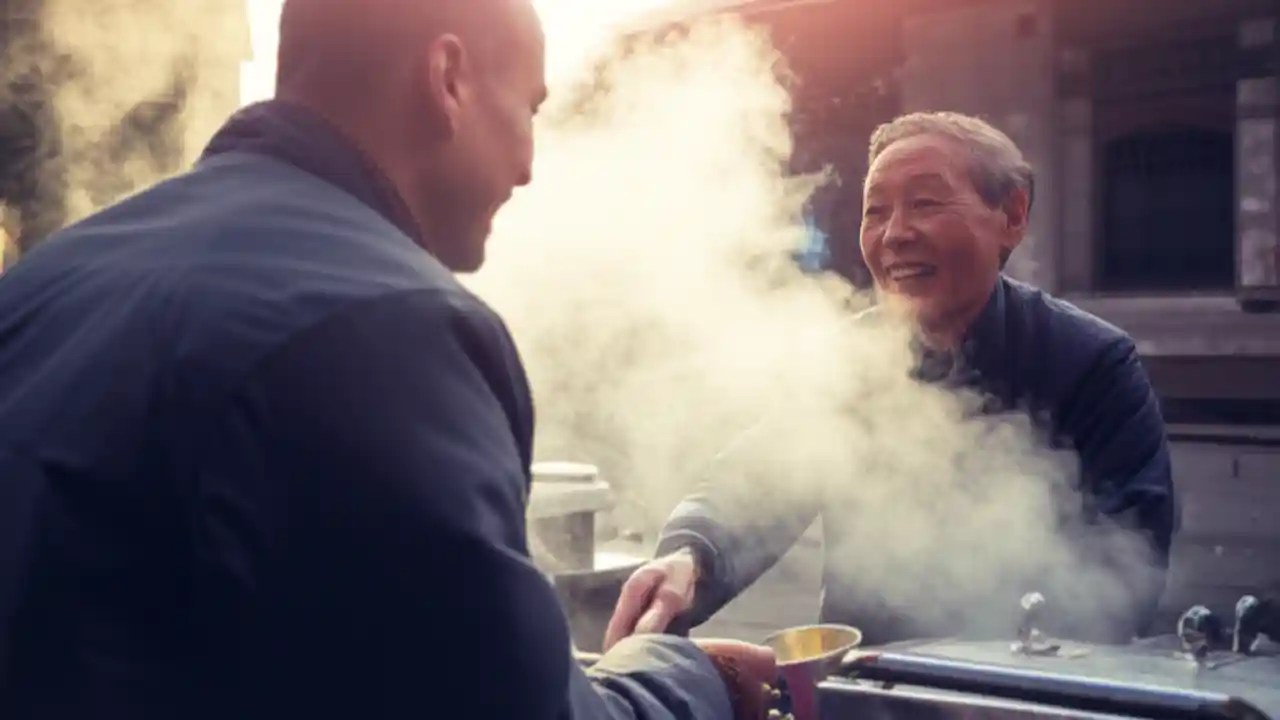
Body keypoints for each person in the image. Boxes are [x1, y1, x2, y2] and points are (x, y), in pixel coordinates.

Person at [0, 0, 776, 717]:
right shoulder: (383, 323)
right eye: (530, 109)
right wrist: (687, 677)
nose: (529, 166)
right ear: (447, 80)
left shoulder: (48, 277)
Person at [606, 111, 1180, 649]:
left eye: (925, 202)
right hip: (861, 694)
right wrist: (690, 557)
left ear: (1011, 217)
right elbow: (757, 481)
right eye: (875, 211)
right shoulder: (849, 360)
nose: (895, 234)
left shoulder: (1092, 364)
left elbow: (1126, 574)